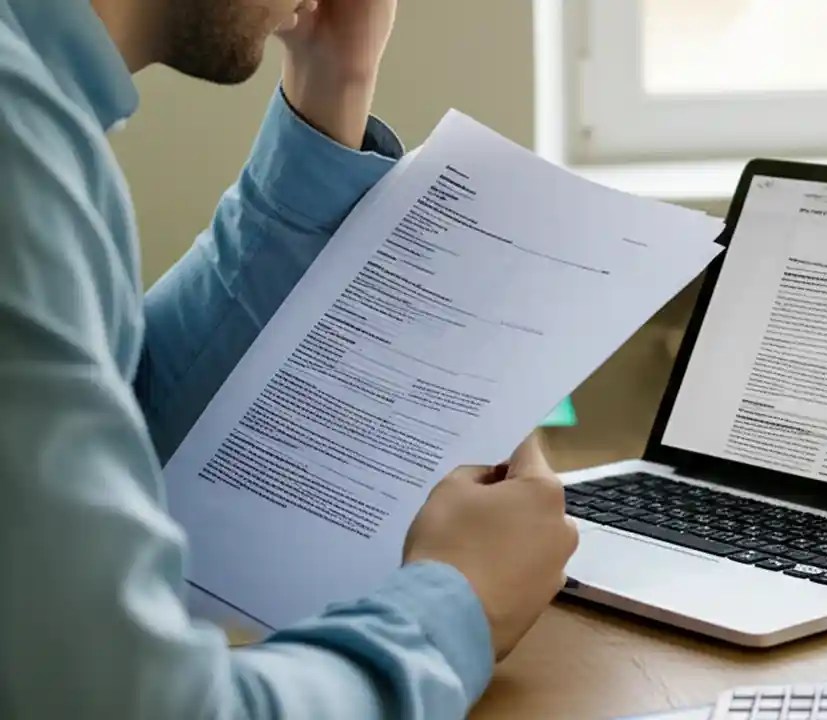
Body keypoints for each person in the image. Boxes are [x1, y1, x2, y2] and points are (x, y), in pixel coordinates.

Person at [0, 0, 580, 717]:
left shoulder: (37, 103)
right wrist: (455, 604)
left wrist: (331, 84)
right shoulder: (14, 151)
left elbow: (117, 434)